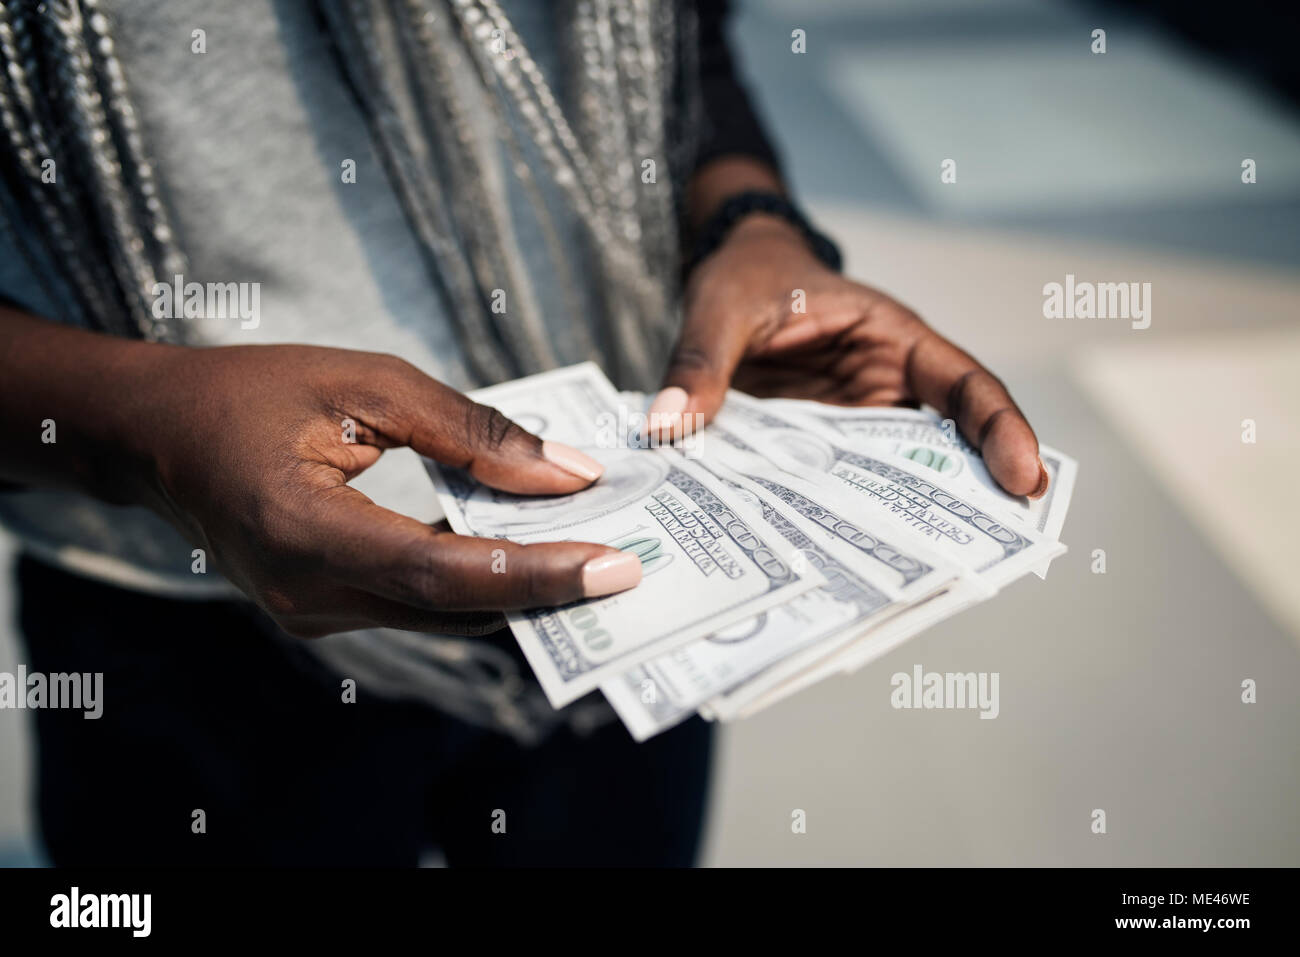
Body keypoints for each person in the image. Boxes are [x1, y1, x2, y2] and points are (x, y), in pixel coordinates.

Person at [0, 0, 1047, 866]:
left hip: (630, 588)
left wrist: (752, 223)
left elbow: (684, 46)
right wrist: (131, 431)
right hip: (179, 621)